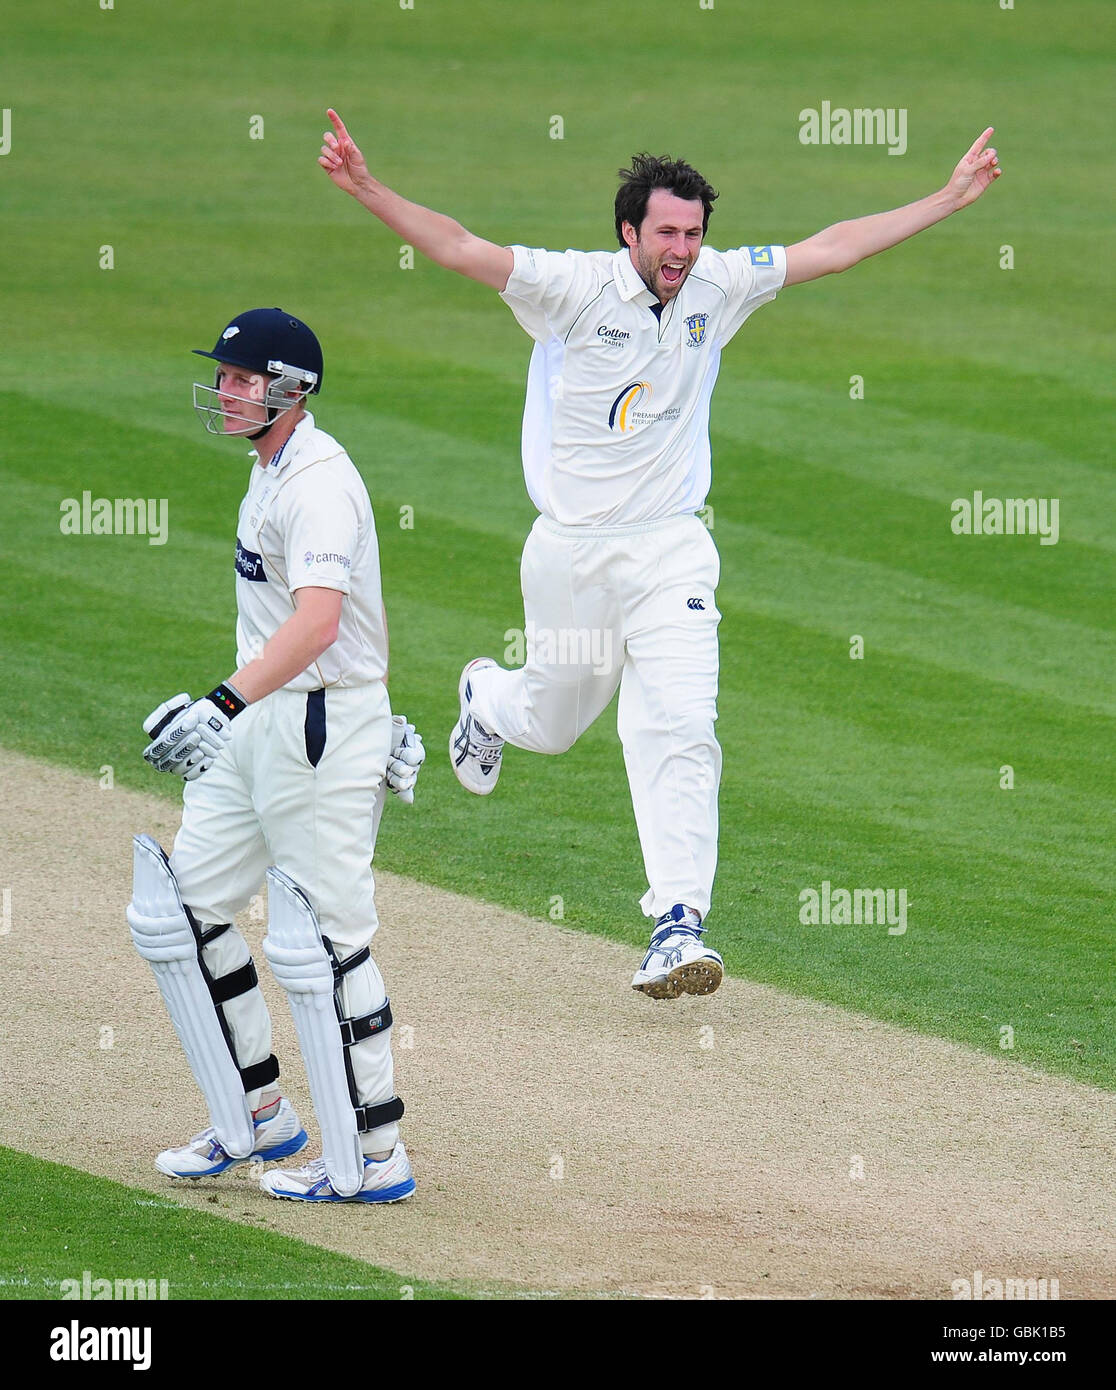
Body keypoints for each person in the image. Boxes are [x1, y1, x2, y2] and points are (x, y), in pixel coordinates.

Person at [319, 111, 1001, 1001]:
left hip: (675, 548)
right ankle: (486, 697)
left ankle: (678, 924)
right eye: (667, 233)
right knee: (556, 724)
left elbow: (834, 248)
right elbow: (457, 247)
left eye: (694, 232)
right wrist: (367, 187)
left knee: (681, 727)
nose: (682, 249)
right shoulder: (571, 290)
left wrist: (948, 197)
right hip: (572, 555)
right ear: (629, 232)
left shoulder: (720, 283)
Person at [126, 307, 425, 1202]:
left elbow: (320, 623)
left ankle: (374, 1157)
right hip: (263, 723)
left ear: (292, 390)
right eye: (223, 377)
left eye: (243, 379)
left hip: (319, 728)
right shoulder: (269, 469)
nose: (225, 391)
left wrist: (227, 701)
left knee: (327, 943)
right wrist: (236, 709)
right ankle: (256, 1115)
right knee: (182, 913)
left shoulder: (320, 483)